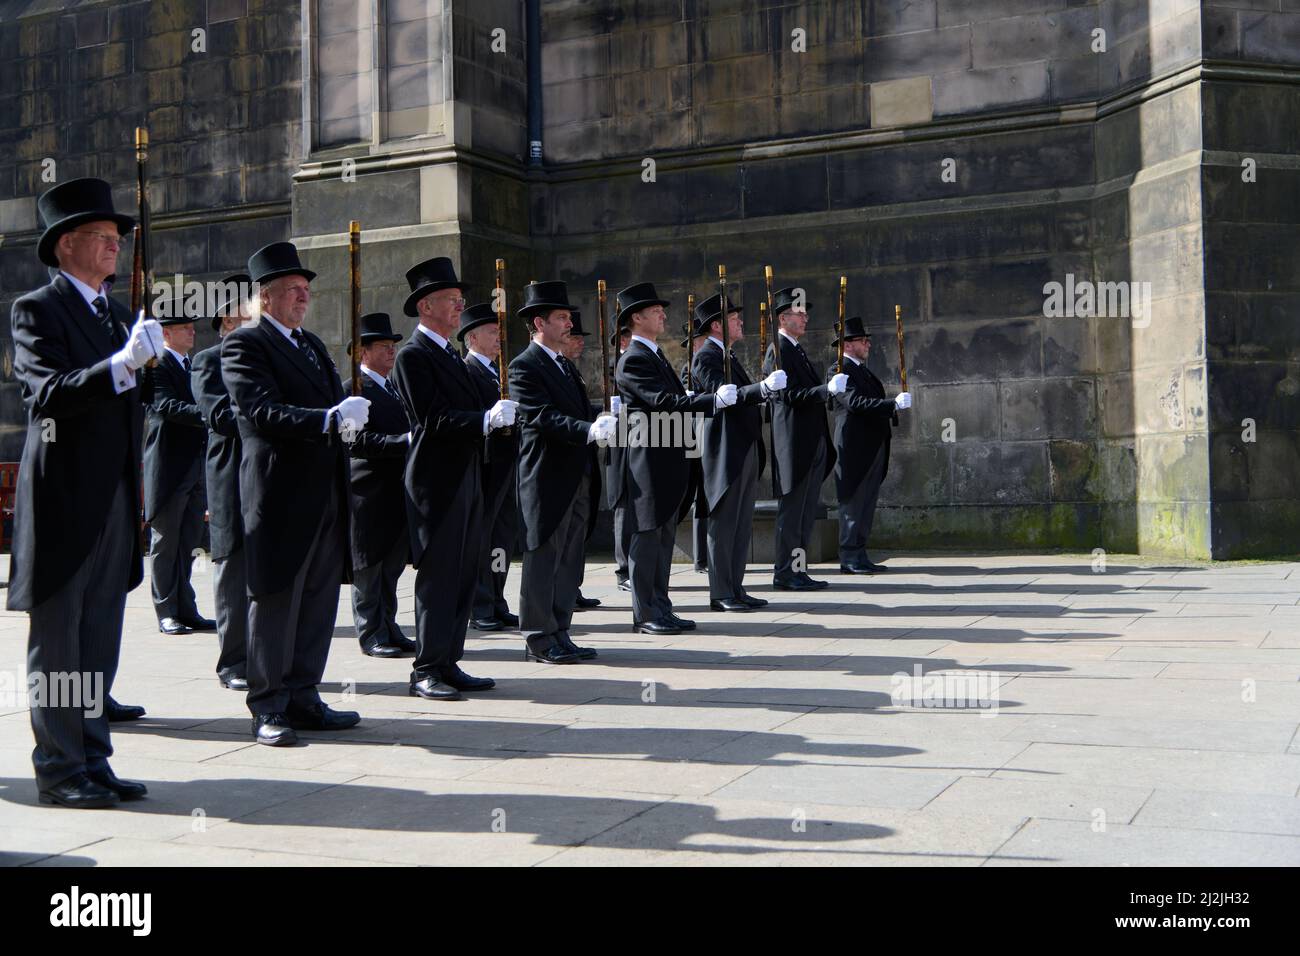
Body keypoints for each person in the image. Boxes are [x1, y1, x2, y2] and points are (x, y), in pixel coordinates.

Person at [9, 177, 162, 807]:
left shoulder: (120, 315)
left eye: (117, 239)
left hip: (116, 498)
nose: (114, 248)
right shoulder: (37, 310)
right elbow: (46, 392)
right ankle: (59, 766)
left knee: (99, 633)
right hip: (65, 496)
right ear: (66, 244)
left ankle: (94, 757)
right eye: (102, 238)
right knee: (60, 639)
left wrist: (152, 368)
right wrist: (121, 367)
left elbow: (131, 407)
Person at [221, 241, 364, 746]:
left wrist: (344, 422)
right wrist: (328, 419)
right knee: (276, 598)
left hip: (323, 492)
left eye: (306, 289)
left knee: (318, 601)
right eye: (292, 290)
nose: (303, 297)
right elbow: (259, 413)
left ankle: (304, 694)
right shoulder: (245, 345)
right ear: (265, 297)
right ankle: (267, 705)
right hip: (279, 492)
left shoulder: (312, 346)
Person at [389, 257, 517, 701]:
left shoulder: (451, 356)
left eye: (461, 298)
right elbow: (432, 418)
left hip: (467, 477)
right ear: (426, 306)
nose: (460, 304)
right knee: (439, 578)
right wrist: (484, 420)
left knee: (464, 575)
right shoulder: (412, 356)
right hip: (435, 483)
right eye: (451, 298)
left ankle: (448, 660)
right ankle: (425, 668)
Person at [614, 281, 733, 635]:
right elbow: (663, 402)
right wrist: (711, 400)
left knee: (663, 536)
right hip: (648, 460)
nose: (663, 314)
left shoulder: (652, 353)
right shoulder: (633, 359)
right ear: (636, 318)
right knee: (647, 536)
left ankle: (661, 606)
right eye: (655, 310)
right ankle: (644, 612)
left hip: (667, 456)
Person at [509, 282, 617, 662]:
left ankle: (560, 630)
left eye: (568, 317)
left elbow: (576, 411)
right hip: (546, 478)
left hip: (576, 476)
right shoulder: (524, 366)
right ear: (539, 322)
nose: (569, 323)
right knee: (543, 559)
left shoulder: (564, 367)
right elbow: (541, 416)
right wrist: (588, 429)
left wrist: (602, 414)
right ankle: (539, 637)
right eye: (561, 317)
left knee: (569, 559)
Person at [689, 293, 787, 609]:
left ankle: (735, 587)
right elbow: (724, 396)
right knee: (724, 523)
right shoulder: (706, 357)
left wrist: (762, 395)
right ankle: (721, 592)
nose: (740, 322)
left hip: (743, 446)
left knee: (741, 523)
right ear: (717, 325)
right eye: (733, 318)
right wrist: (762, 388)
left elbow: (742, 397)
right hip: (724, 451)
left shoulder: (728, 355)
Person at [191, 272, 255, 689]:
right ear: (226, 320)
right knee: (232, 570)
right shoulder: (207, 360)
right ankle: (233, 662)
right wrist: (271, 418)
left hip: (267, 475)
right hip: (231, 475)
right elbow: (218, 416)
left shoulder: (265, 357)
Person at [763, 286, 847, 591]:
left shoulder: (796, 349)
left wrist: (826, 386)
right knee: (793, 512)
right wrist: (826, 390)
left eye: (805, 313)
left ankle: (798, 570)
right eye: (800, 313)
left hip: (811, 442)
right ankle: (784, 571)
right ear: (784, 319)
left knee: (805, 513)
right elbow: (789, 396)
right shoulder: (779, 349)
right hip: (795, 444)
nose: (806, 317)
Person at [347, 312, 417, 657]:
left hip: (396, 488)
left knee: (390, 566)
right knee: (368, 566)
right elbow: (354, 442)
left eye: (393, 346)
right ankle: (371, 632)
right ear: (363, 352)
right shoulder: (353, 389)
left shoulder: (396, 387)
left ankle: (389, 626)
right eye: (384, 347)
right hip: (367, 490)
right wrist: (401, 442)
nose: (392, 352)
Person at [143, 312, 214, 636]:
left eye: (192, 327)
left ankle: (186, 608)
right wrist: (209, 414)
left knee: (188, 542)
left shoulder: (192, 366)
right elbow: (166, 406)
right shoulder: (157, 366)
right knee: (166, 542)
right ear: (166, 335)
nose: (192, 332)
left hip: (196, 466)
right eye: (184, 328)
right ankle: (166, 610)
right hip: (170, 468)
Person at [831, 315, 912, 573]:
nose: (868, 344)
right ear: (847, 344)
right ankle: (849, 556)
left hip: (873, 446)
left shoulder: (863, 371)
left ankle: (860, 553)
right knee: (853, 503)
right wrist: (892, 405)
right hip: (854, 447)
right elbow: (855, 403)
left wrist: (893, 409)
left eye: (867, 340)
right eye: (862, 340)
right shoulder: (838, 372)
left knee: (866, 503)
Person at [458, 302, 521, 632]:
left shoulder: (499, 372)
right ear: (472, 338)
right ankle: (479, 604)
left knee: (502, 537)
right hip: (484, 466)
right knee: (482, 539)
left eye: (499, 331)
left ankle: (496, 599)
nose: (499, 337)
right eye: (492, 332)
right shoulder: (467, 371)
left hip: (505, 465)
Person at [560, 308, 603, 611]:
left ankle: (572, 587)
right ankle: (562, 591)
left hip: (582, 461)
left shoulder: (570, 369)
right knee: (563, 539)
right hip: (564, 462)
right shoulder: (546, 367)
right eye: (574, 336)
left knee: (577, 535)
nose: (580, 342)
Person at [606, 324, 632, 592]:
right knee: (623, 506)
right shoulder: (616, 366)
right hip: (619, 442)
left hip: (639, 440)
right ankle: (623, 570)